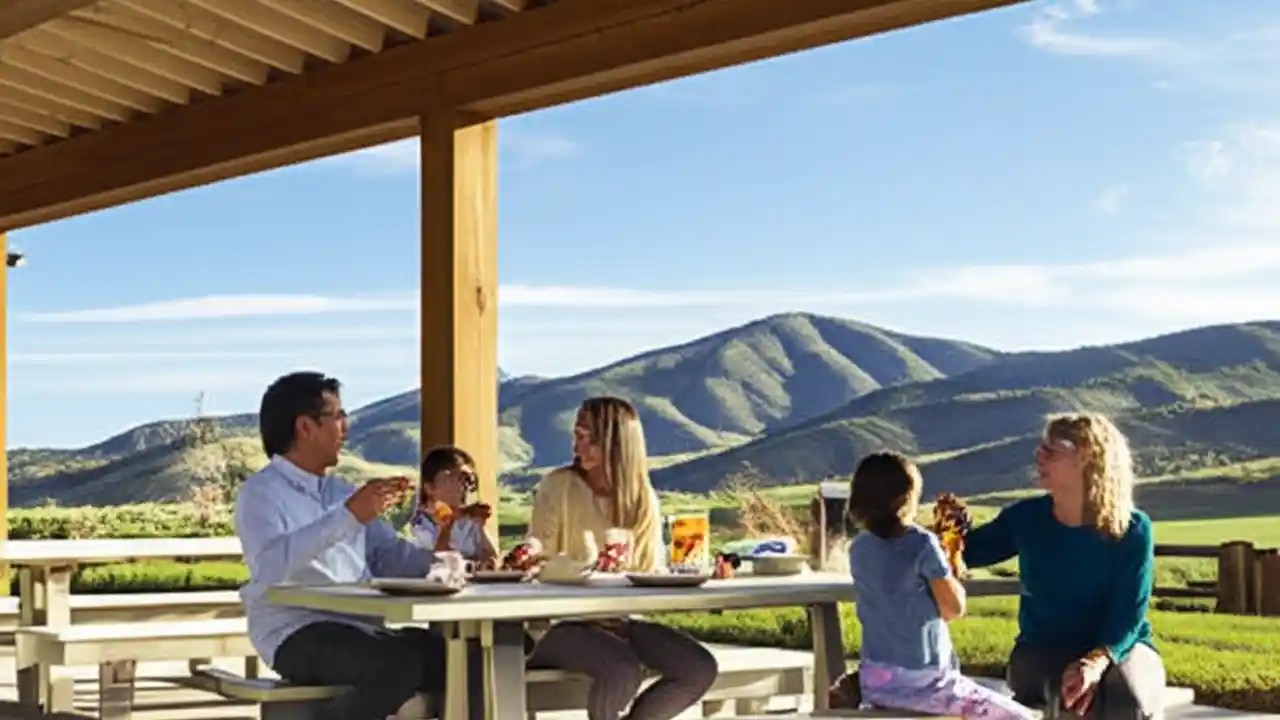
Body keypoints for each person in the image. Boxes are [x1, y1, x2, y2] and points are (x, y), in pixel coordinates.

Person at [235, 371, 482, 720]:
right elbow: (270, 567)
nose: (346, 427)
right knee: (399, 664)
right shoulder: (260, 494)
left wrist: (462, 566)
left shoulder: (342, 491)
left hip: (362, 627)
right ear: (305, 427)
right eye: (337, 416)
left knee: (469, 659)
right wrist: (349, 515)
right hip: (296, 630)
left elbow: (390, 556)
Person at [520, 396, 718, 720]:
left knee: (697, 667)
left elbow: (649, 571)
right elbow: (536, 557)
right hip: (560, 626)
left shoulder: (642, 500)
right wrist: (572, 563)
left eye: (587, 438)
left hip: (621, 623)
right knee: (621, 669)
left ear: (614, 444)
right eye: (577, 435)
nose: (576, 446)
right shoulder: (558, 487)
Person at [962, 413, 1166, 719]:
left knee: (1125, 696)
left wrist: (1095, 663)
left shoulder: (1133, 529)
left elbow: (1127, 615)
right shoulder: (1026, 518)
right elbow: (966, 552)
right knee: (1066, 696)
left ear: (1086, 457)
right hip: (1041, 649)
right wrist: (938, 533)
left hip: (1118, 649)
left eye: (1051, 450)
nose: (1038, 455)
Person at [847, 452, 1036, 720]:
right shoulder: (923, 543)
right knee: (1020, 717)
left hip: (877, 683)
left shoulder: (859, 548)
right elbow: (953, 608)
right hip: (927, 682)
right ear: (907, 498)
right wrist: (951, 568)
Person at [406, 445, 498, 566]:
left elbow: (491, 560)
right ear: (430, 487)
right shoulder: (419, 525)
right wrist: (447, 526)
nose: (462, 485)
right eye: (451, 477)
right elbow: (438, 562)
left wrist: (481, 526)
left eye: (466, 479)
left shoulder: (469, 522)